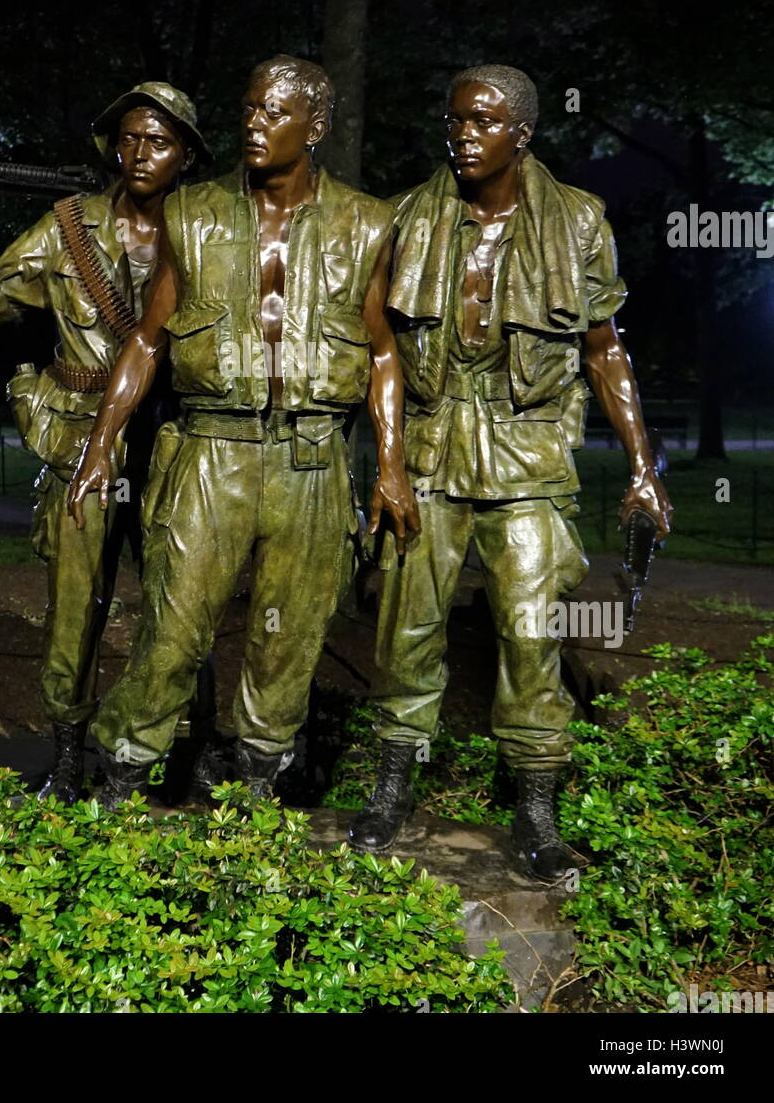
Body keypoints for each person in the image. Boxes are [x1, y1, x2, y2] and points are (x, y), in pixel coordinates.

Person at [68, 55, 420, 806]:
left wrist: (389, 463)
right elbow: (148, 341)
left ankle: (256, 786)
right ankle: (121, 781)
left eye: (273, 113)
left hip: (312, 456)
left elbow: (384, 351)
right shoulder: (189, 211)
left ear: (314, 127)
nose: (254, 125)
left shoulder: (367, 221)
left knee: (289, 637)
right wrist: (101, 444)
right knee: (171, 628)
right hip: (207, 450)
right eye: (249, 109)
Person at [350, 64, 673, 879]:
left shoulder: (576, 222)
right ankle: (390, 790)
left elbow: (604, 351)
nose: (461, 135)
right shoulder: (406, 219)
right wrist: (385, 462)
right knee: (405, 622)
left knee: (532, 631)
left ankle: (535, 812)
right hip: (428, 443)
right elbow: (380, 350)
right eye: (454, 120)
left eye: (482, 123)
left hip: (527, 450)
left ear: (520, 133)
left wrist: (643, 466)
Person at [0, 82, 211, 802]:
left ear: (186, 156)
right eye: (130, 138)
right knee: (76, 603)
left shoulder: (208, 230)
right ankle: (67, 754)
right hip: (82, 437)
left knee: (183, 601)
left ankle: (186, 746)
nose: (140, 152)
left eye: (159, 140)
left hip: (176, 437)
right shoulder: (66, 228)